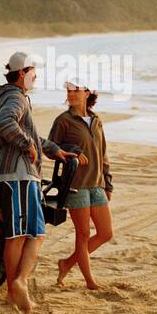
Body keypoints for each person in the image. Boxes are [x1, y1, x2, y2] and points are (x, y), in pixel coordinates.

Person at [0, 51, 86, 313]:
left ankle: (14, 289)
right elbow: (7, 125)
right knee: (19, 235)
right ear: (21, 73)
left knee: (33, 233)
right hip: (17, 175)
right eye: (33, 72)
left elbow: (29, 133)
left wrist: (53, 149)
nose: (36, 76)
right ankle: (18, 283)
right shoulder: (14, 97)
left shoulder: (14, 97)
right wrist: (26, 144)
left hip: (20, 176)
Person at [49, 80, 113, 290]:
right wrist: (71, 149)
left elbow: (103, 153)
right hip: (76, 184)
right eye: (69, 90)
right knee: (83, 234)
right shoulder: (63, 121)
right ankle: (89, 281)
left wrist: (108, 182)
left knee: (105, 233)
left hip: (97, 183)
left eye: (76, 90)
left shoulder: (96, 120)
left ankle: (67, 263)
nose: (72, 94)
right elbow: (51, 148)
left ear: (87, 93)